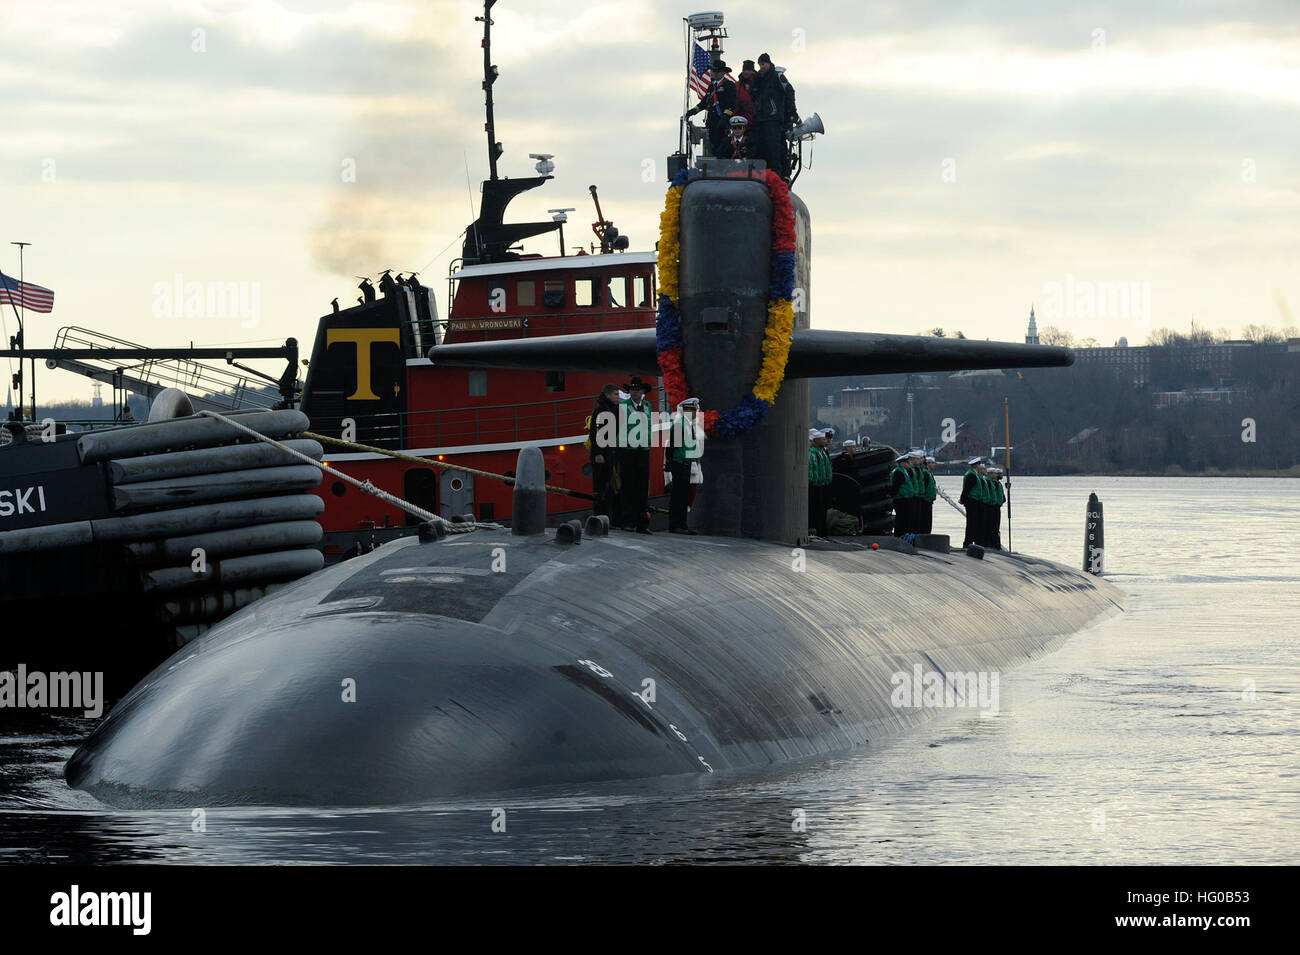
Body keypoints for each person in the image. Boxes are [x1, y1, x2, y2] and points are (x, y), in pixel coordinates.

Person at [750, 52, 799, 179]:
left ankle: (777, 176)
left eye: (763, 64)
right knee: (761, 149)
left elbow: (789, 91)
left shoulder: (778, 76)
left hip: (774, 119)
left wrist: (792, 113)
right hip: (761, 119)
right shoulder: (760, 78)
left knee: (774, 150)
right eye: (760, 64)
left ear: (769, 63)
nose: (762, 67)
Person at [617, 378, 655, 534]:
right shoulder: (622, 407)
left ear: (643, 392)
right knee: (627, 485)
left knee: (642, 487)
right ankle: (627, 521)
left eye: (638, 389)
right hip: (627, 450)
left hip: (642, 450)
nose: (635, 392)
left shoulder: (648, 407)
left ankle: (641, 523)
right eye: (632, 389)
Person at [664, 397, 702, 534]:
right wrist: (670, 463)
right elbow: (673, 446)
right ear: (685, 411)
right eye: (691, 410)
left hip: (686, 463)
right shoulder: (680, 425)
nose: (694, 413)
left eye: (695, 410)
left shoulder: (687, 425)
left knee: (684, 495)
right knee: (678, 495)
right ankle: (676, 524)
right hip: (679, 463)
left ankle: (682, 523)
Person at [686, 60, 738, 157]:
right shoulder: (711, 86)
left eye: (717, 71)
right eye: (713, 71)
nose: (714, 73)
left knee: (722, 149)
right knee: (712, 148)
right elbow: (704, 103)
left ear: (723, 72)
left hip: (722, 123)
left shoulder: (729, 85)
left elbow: (731, 103)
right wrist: (693, 111)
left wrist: (725, 117)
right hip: (711, 123)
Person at [587, 383, 621, 523]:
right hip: (603, 453)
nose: (618, 397)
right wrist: (597, 453)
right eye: (615, 394)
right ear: (607, 395)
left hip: (612, 452)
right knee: (601, 486)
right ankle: (600, 517)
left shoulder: (615, 409)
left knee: (612, 486)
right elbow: (595, 433)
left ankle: (611, 518)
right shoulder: (600, 411)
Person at [807, 428, 832, 537]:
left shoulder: (823, 452)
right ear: (815, 440)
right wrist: (812, 480)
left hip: (823, 484)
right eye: (822, 439)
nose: (825, 440)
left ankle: (821, 530)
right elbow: (811, 468)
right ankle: (815, 529)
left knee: (822, 509)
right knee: (814, 508)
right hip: (815, 485)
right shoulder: (812, 453)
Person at [890, 452, 914, 537]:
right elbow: (896, 487)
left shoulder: (904, 472)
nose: (909, 464)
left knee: (906, 518)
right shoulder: (898, 472)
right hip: (901, 499)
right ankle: (899, 534)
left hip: (906, 498)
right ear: (902, 463)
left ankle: (904, 534)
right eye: (908, 462)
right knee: (901, 518)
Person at [917, 453, 937, 535]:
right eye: (933, 463)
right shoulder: (925, 473)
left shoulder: (928, 473)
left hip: (929, 500)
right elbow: (923, 487)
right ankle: (924, 535)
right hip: (925, 501)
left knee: (928, 521)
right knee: (925, 521)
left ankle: (927, 534)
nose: (934, 465)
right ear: (928, 464)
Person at [987, 466, 1006, 549]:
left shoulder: (997, 483)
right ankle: (993, 542)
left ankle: (995, 542)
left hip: (997, 505)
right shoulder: (993, 483)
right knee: (993, 525)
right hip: (993, 506)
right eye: (999, 474)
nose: (1002, 475)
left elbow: (1000, 495)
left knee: (996, 525)